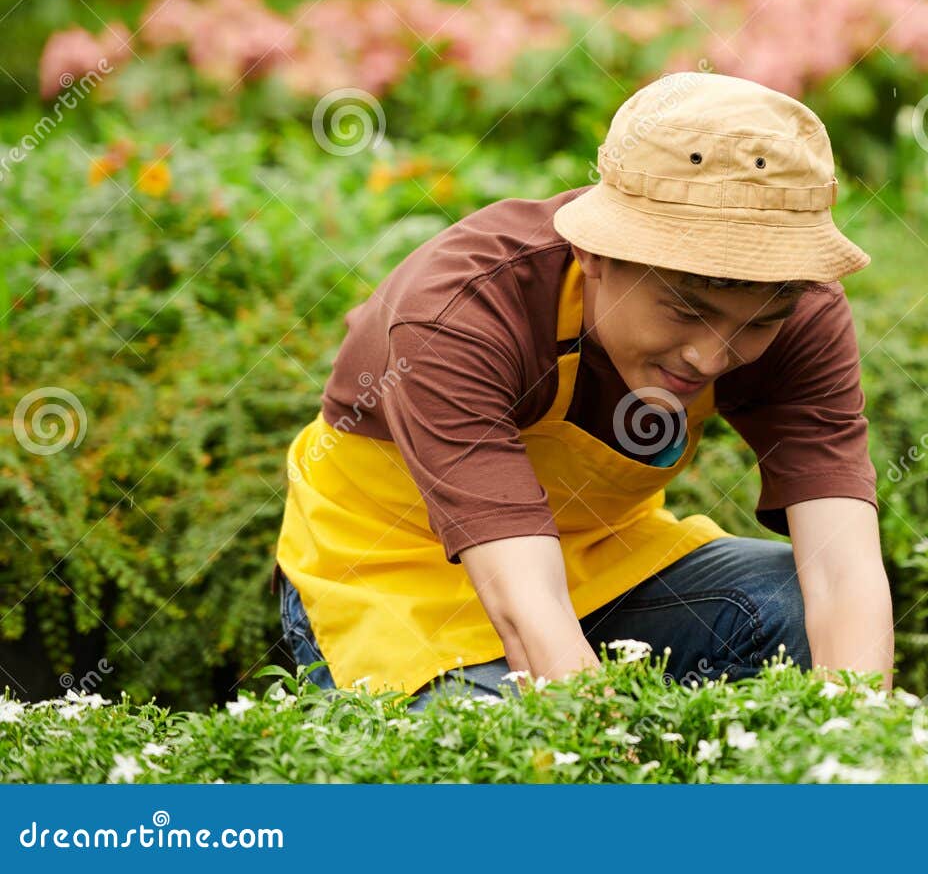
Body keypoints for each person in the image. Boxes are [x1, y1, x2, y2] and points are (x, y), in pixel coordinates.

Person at [270, 71, 893, 710]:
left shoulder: (798, 307)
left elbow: (842, 571)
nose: (711, 355)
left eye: (757, 325)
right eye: (685, 311)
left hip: (602, 564)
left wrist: (859, 742)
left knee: (791, 608)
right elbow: (525, 606)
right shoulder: (459, 312)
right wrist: (605, 758)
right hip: (395, 578)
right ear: (593, 252)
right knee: (496, 740)